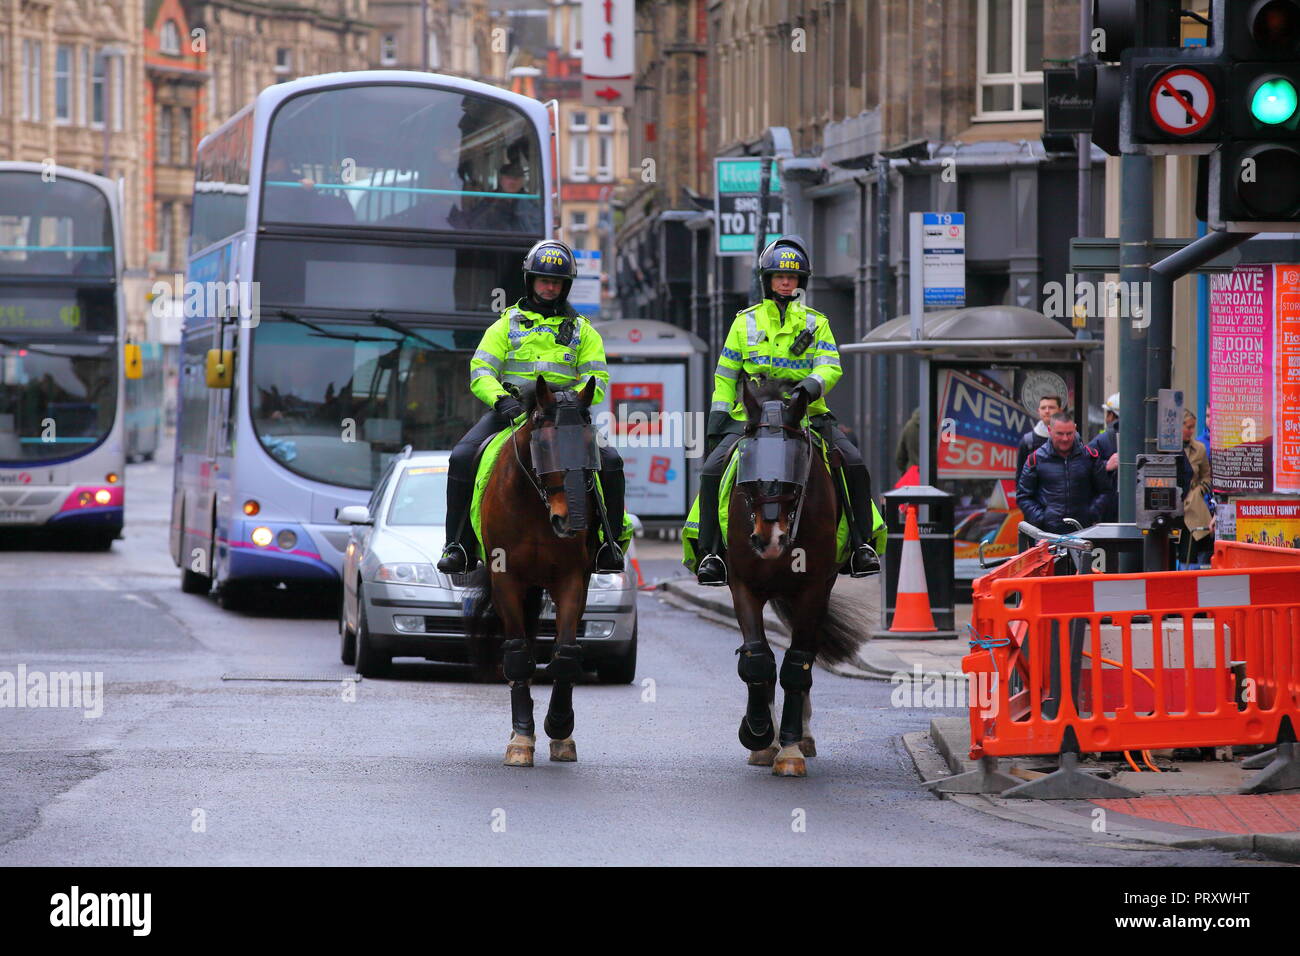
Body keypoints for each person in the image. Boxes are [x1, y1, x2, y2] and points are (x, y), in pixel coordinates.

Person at [694, 235, 879, 586]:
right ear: (767, 280)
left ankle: (860, 545)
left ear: (800, 283)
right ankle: (712, 553)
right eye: (779, 276)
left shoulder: (815, 322)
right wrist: (719, 419)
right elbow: (726, 374)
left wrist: (810, 386)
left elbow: (830, 366)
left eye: (792, 278)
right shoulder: (744, 322)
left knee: (853, 462)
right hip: (751, 417)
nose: (785, 282)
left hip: (805, 414)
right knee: (710, 471)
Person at [436, 239, 625, 574]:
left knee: (610, 462)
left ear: (565, 286)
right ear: (530, 281)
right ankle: (459, 546)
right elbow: (480, 371)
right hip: (510, 414)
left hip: (563, 419)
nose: (549, 287)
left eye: (556, 282)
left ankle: (606, 545)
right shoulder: (504, 325)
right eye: (543, 280)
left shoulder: (583, 331)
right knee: (462, 457)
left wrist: (569, 403)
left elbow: (597, 378)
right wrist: (502, 400)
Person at [1017, 411, 1114, 535]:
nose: (1065, 438)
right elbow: (1023, 496)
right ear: (1050, 430)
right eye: (1060, 434)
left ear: (1075, 429)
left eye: (1069, 433)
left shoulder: (1090, 456)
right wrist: (1041, 518)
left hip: (1084, 531)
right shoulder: (1035, 459)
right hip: (1047, 535)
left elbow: (1105, 490)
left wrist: (1092, 513)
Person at [1181, 409, 1214, 565]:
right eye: (1188, 427)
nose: (1191, 431)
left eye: (1193, 427)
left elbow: (1207, 476)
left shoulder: (1199, 449)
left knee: (1193, 553)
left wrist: (1199, 491)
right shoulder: (1165, 449)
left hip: (1193, 508)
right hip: (1173, 508)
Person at [1015, 393, 1062, 484]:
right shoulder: (1027, 441)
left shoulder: (1071, 438)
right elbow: (1020, 479)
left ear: (1060, 411)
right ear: (1038, 411)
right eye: (1043, 408)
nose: (1047, 411)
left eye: (1051, 407)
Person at [1088, 392, 1120, 521]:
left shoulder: (1102, 439)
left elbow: (1083, 467)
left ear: (1111, 415)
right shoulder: (1147, 437)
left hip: (1108, 512)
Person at [896, 407, 920, 475]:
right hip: (936, 479)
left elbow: (900, 457)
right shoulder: (939, 426)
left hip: (913, 476)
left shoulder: (910, 426)